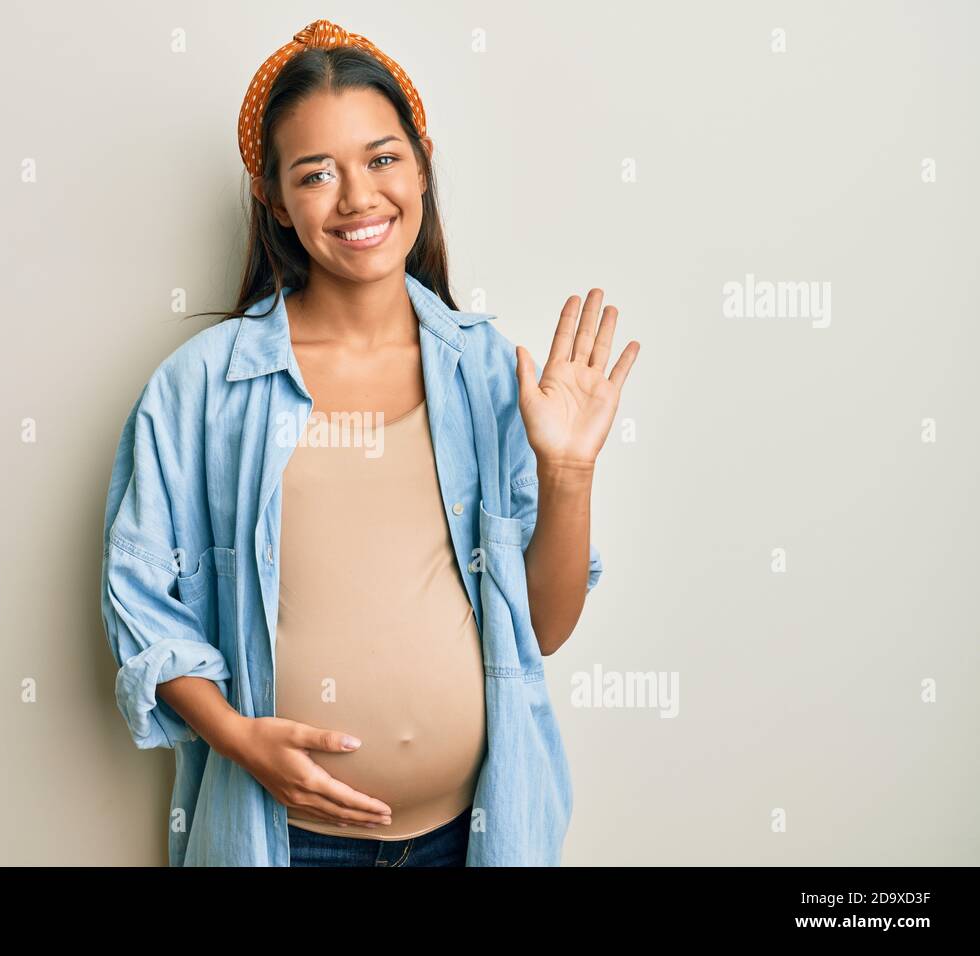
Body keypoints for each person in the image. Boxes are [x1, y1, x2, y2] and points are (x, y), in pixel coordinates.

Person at [99, 18, 639, 867]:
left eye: (382, 159)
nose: (358, 198)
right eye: (316, 174)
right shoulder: (201, 388)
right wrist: (239, 740)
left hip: (476, 837)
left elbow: (543, 628)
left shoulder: (491, 373)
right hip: (287, 842)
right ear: (274, 200)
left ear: (421, 166)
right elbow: (142, 611)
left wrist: (568, 472)